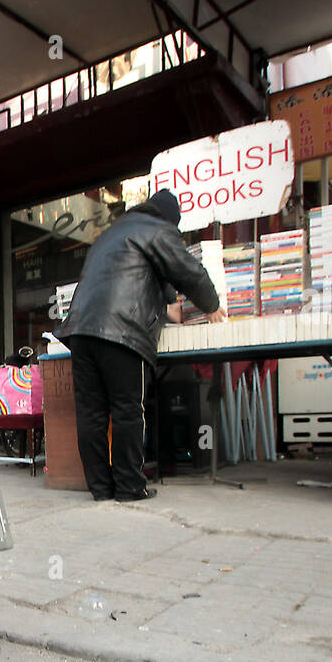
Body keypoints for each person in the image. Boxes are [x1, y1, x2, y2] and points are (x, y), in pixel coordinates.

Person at [56, 189, 227, 501]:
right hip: (120, 330)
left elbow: (138, 272)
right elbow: (186, 270)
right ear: (171, 220)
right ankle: (129, 487)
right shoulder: (158, 229)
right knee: (127, 410)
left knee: (92, 413)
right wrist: (212, 304)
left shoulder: (112, 233)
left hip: (80, 329)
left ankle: (101, 488)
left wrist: (168, 302)